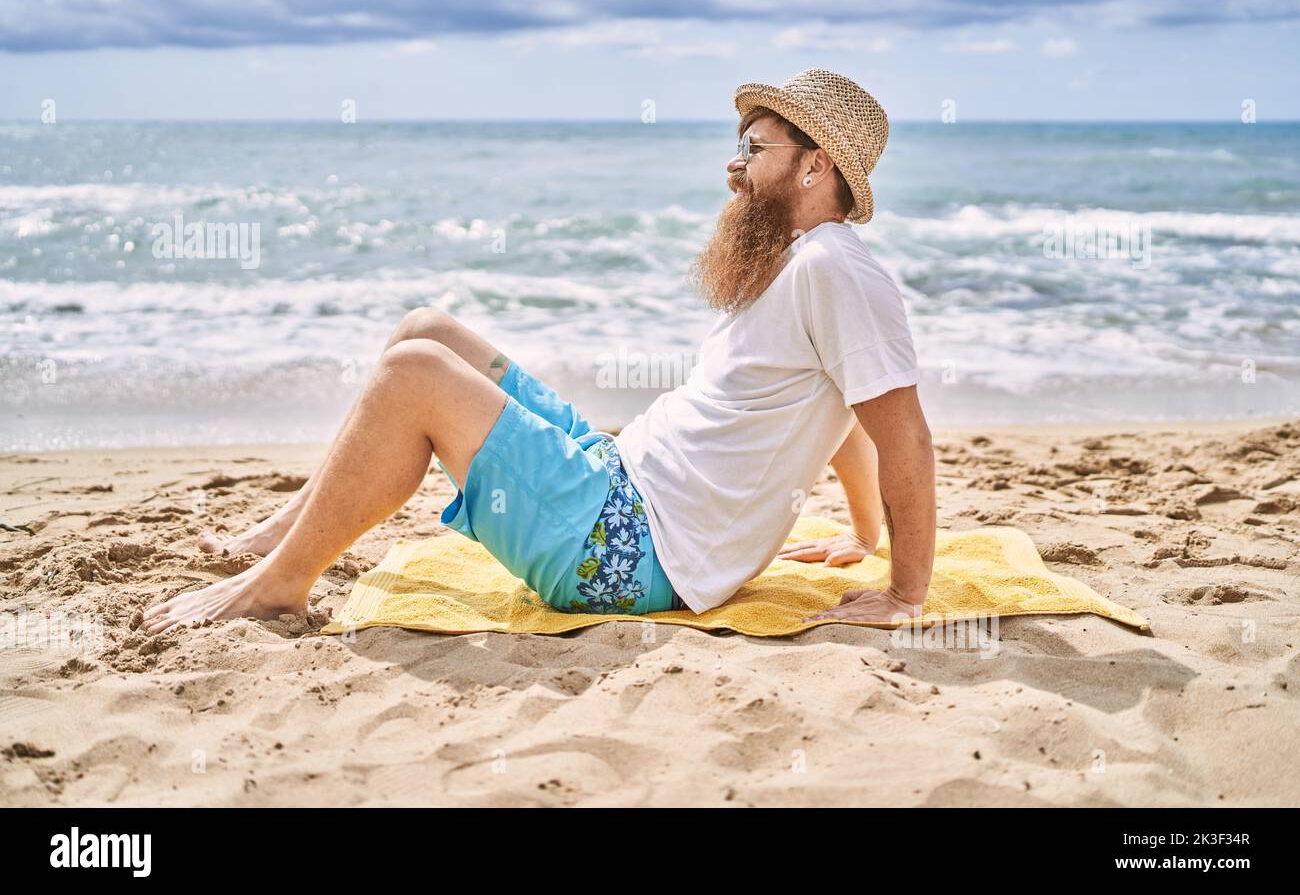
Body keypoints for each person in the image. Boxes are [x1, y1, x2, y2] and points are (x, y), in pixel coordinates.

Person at [142, 68, 935, 634]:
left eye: (755, 148)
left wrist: (905, 588)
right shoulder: (802, 263)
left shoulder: (835, 268)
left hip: (627, 552)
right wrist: (863, 535)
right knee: (428, 330)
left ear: (815, 164)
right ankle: (285, 532)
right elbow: (850, 408)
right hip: (616, 479)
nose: (734, 165)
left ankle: (279, 587)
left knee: (412, 377)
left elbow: (901, 428)